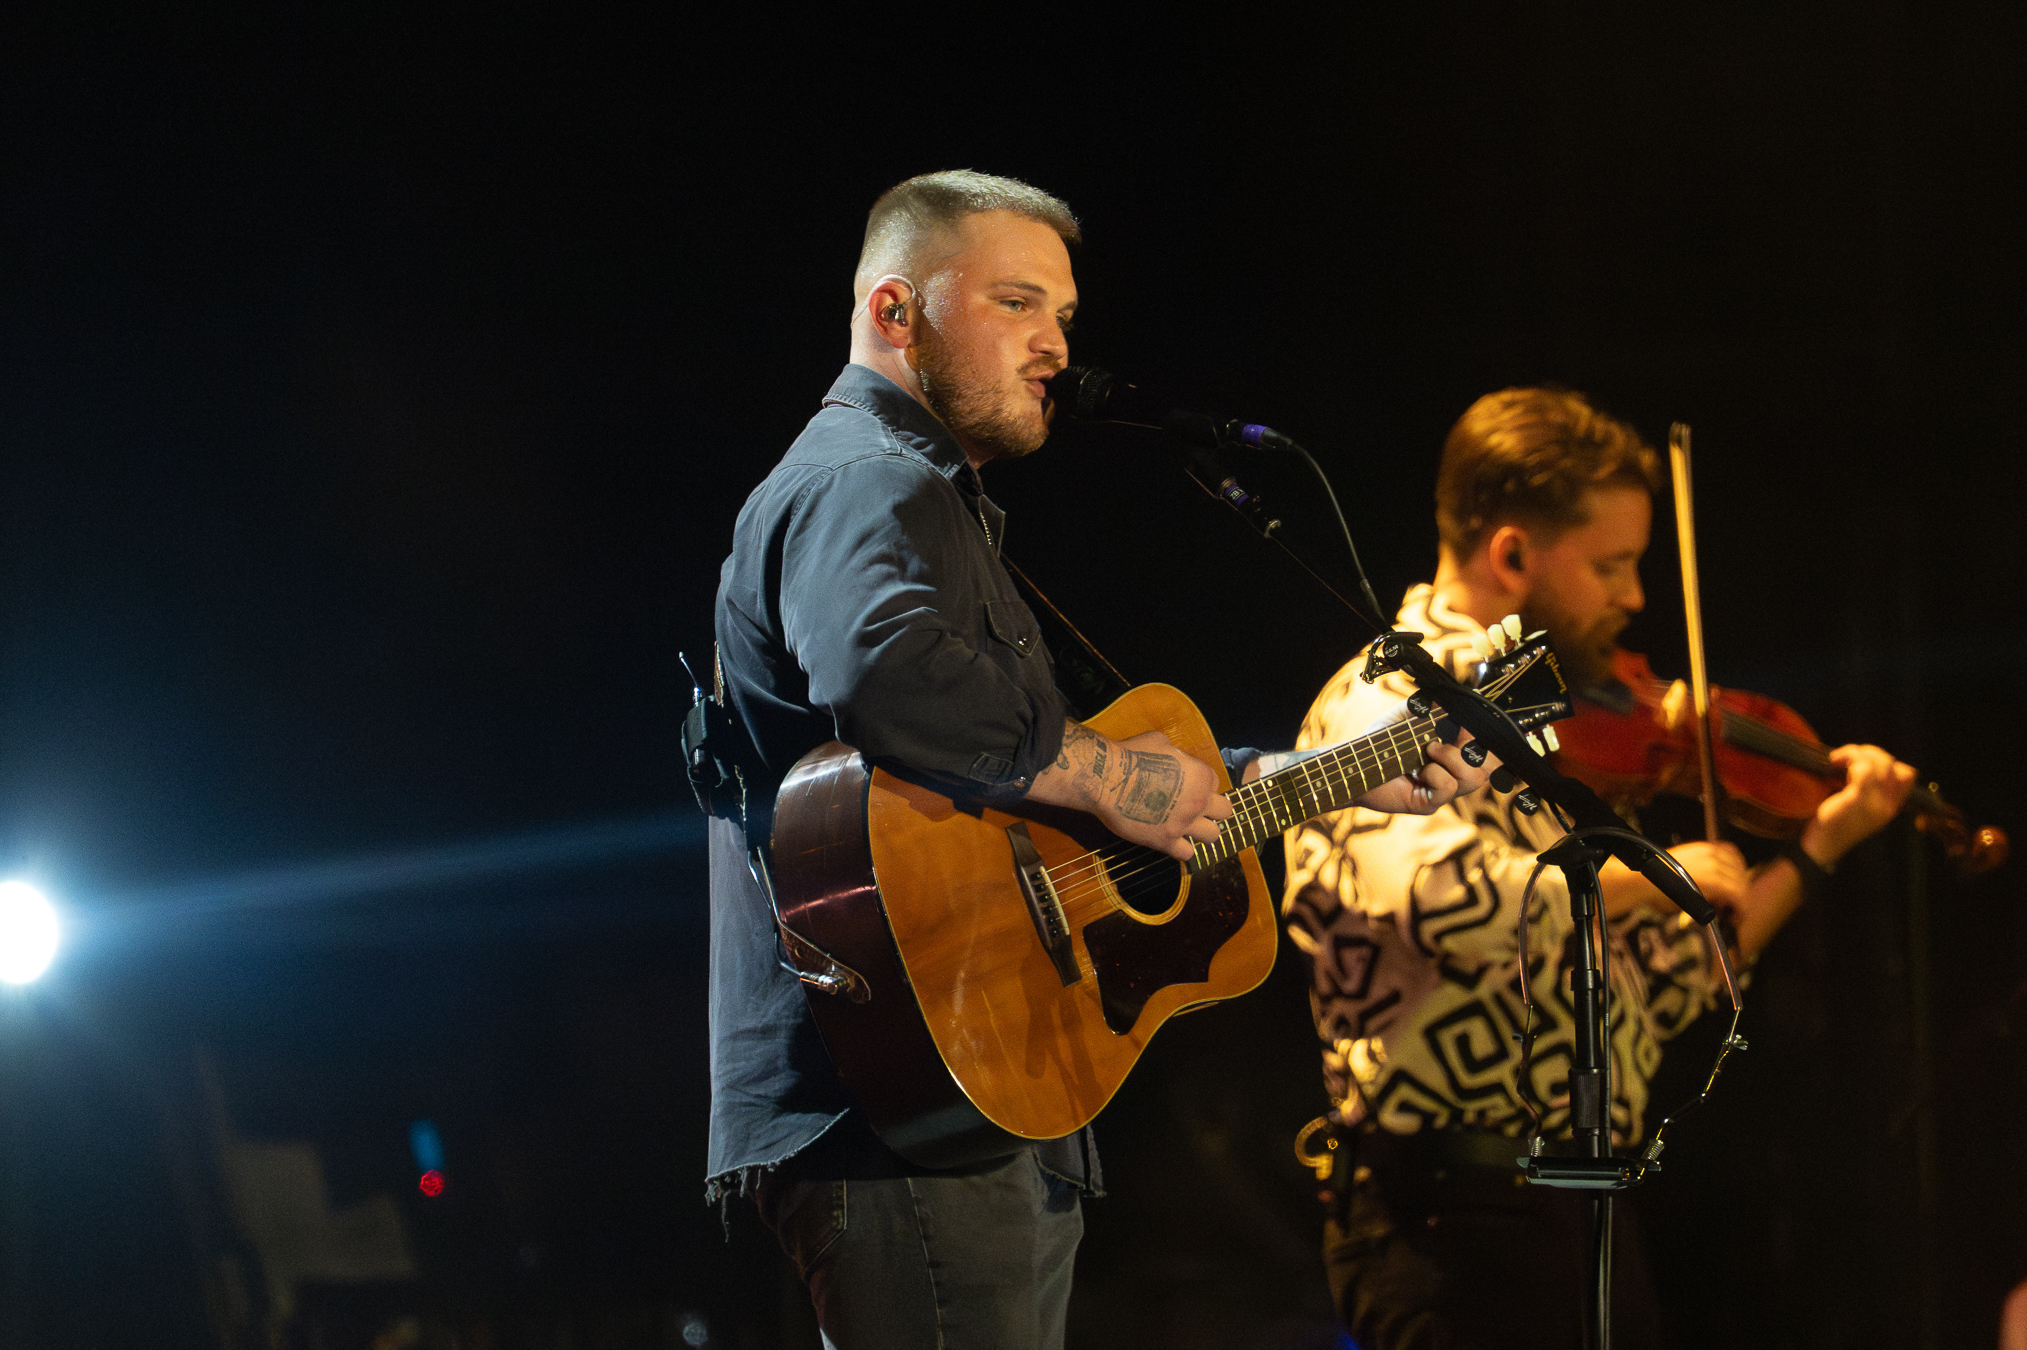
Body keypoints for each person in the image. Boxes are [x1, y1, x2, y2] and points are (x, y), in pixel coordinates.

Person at [704, 170, 1491, 1349]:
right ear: (894, 313)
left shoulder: (930, 501)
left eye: (1063, 317)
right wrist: (1125, 781)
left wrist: (1326, 774)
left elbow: (1060, 786)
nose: (1055, 349)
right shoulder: (866, 478)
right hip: (896, 1094)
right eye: (1017, 305)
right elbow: (887, 681)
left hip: (973, 1085)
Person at [1281, 387, 1917, 1349]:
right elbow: (1427, 894)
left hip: (1575, 1204)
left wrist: (1820, 845)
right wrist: (1637, 873)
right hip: (1453, 1218)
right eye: (1611, 565)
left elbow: (1667, 989)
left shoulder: (1555, 728)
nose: (1633, 598)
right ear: (1512, 555)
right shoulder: (1392, 700)